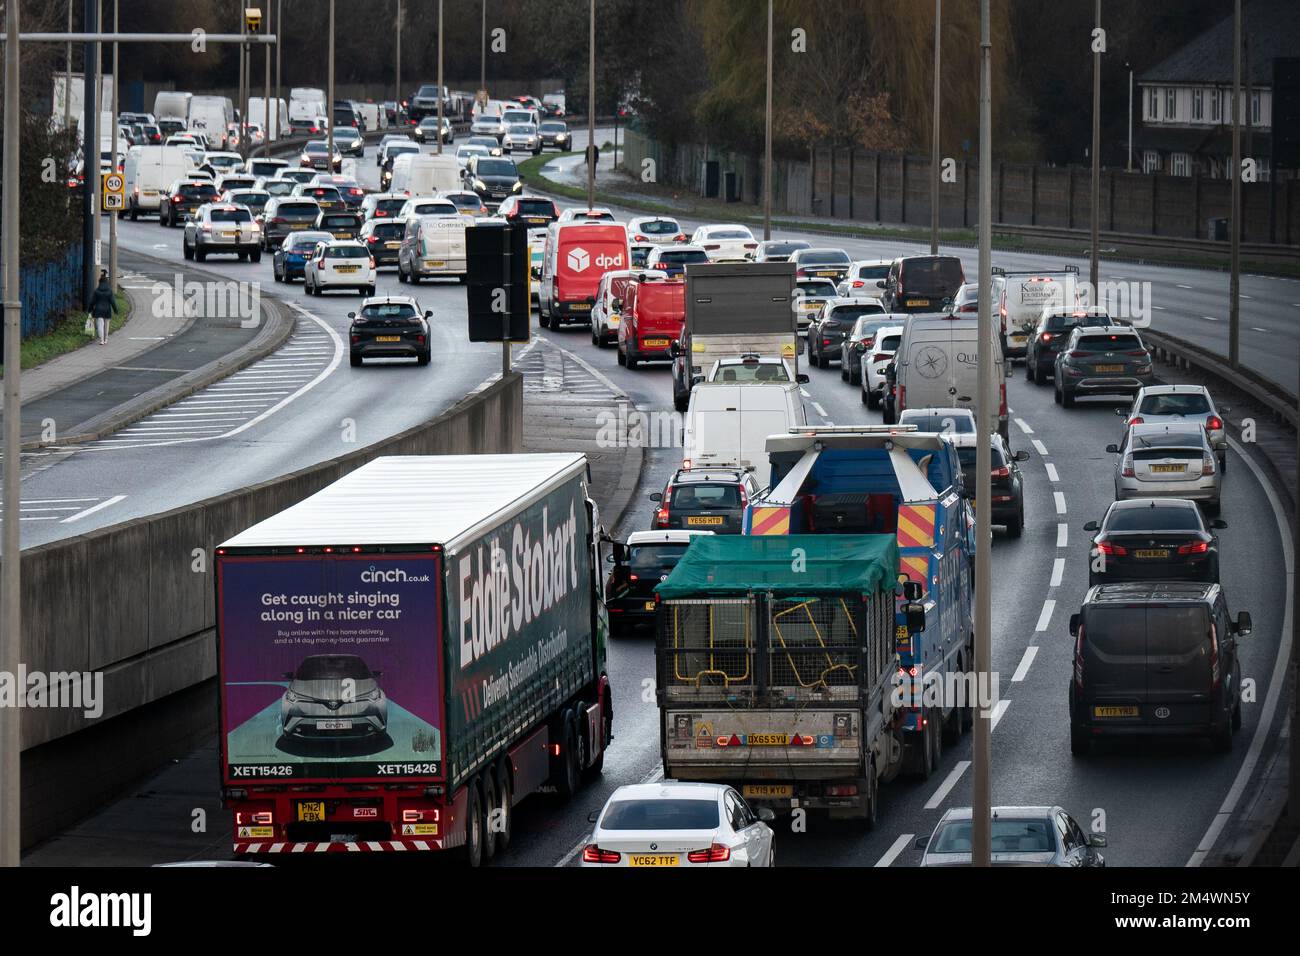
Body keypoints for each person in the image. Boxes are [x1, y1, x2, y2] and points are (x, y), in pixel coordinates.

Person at [87, 270, 116, 345]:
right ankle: (106, 339)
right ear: (107, 283)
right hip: (107, 310)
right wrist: (115, 310)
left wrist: (89, 309)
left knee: (100, 325)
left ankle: (101, 340)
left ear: (99, 283)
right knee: (106, 325)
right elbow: (112, 301)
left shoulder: (96, 291)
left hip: (98, 310)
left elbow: (92, 302)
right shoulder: (109, 291)